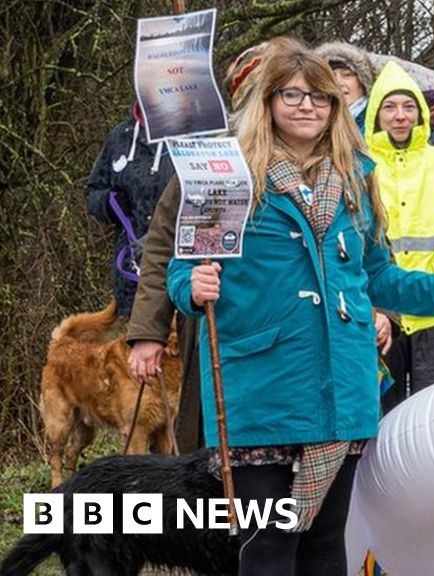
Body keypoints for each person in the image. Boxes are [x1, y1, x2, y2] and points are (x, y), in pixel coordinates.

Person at [164, 46, 434, 574]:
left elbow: (378, 275)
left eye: (321, 98)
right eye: (293, 94)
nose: (307, 106)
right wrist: (191, 285)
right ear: (268, 101)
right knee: (268, 547)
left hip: (341, 388)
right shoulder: (229, 176)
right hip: (260, 392)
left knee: (328, 545)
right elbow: (181, 270)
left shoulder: (356, 179)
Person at [127, 38, 308, 453]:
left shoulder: (330, 156)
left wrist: (376, 310)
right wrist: (148, 331)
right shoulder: (214, 160)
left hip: (304, 331)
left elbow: (362, 245)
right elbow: (163, 245)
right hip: (222, 321)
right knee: (214, 447)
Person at [364, 62, 434, 411]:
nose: (400, 116)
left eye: (409, 107)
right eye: (390, 107)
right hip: (380, 312)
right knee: (382, 416)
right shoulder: (358, 165)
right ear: (375, 113)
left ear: (422, 112)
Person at [85, 101, 175, 320]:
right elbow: (93, 191)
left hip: (176, 267)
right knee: (133, 347)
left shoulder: (196, 136)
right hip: (131, 272)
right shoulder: (120, 136)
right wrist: (108, 203)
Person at [314, 41, 376, 133]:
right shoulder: (312, 121)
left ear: (362, 83)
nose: (339, 82)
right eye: (332, 76)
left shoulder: (378, 120)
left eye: (347, 75)